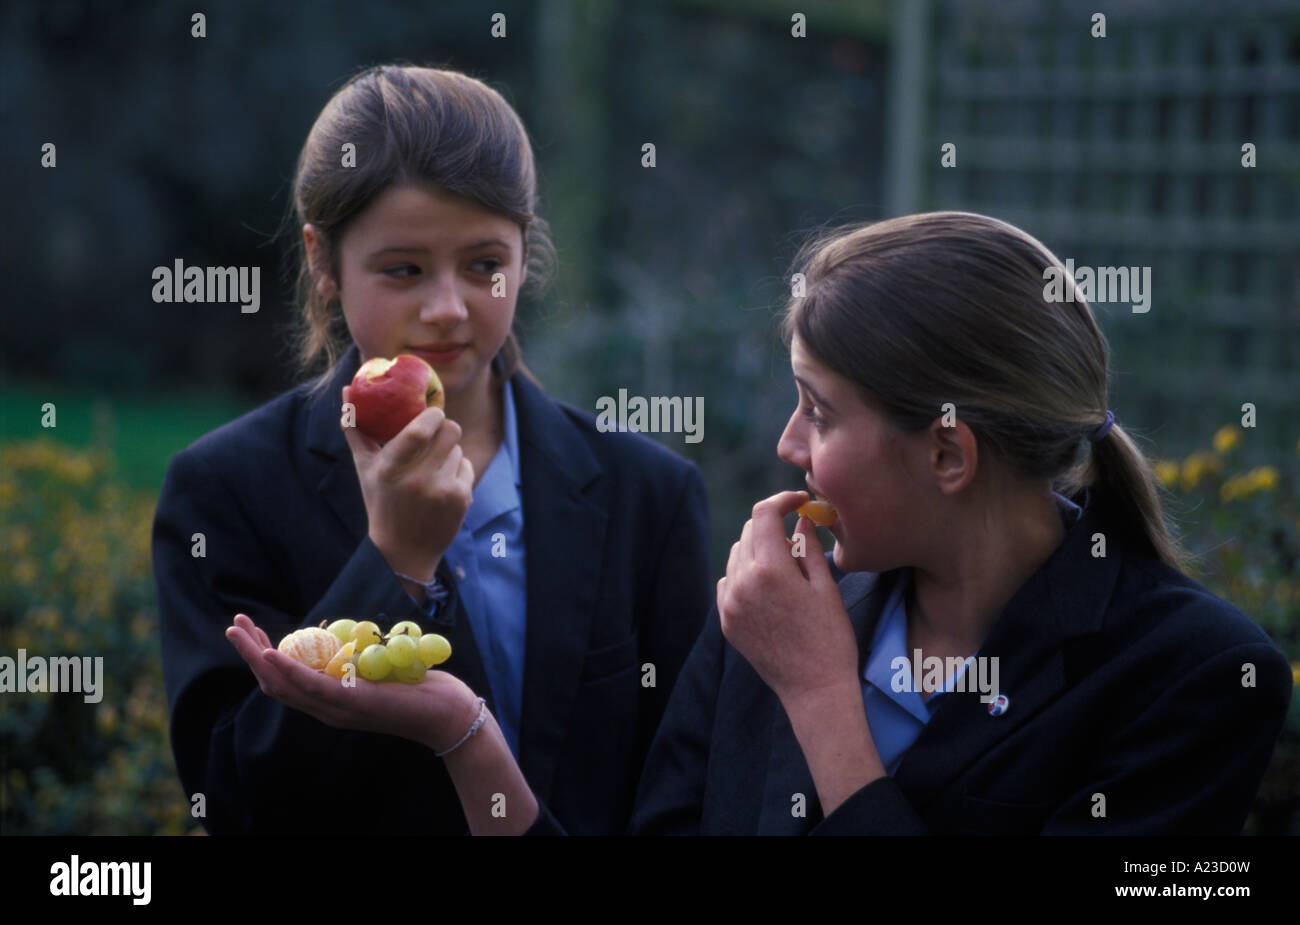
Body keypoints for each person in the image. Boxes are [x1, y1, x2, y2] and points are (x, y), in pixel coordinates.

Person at [228, 211, 1293, 835]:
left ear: (949, 452)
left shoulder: (1196, 679)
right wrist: (461, 730)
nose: (786, 444)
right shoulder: (778, 603)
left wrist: (825, 699)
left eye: (819, 411)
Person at [156, 64, 712, 835]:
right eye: (404, 269)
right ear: (323, 262)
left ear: (526, 256)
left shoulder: (647, 493)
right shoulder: (226, 490)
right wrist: (392, 563)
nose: (448, 307)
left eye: (485, 265)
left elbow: (682, 792)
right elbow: (232, 798)